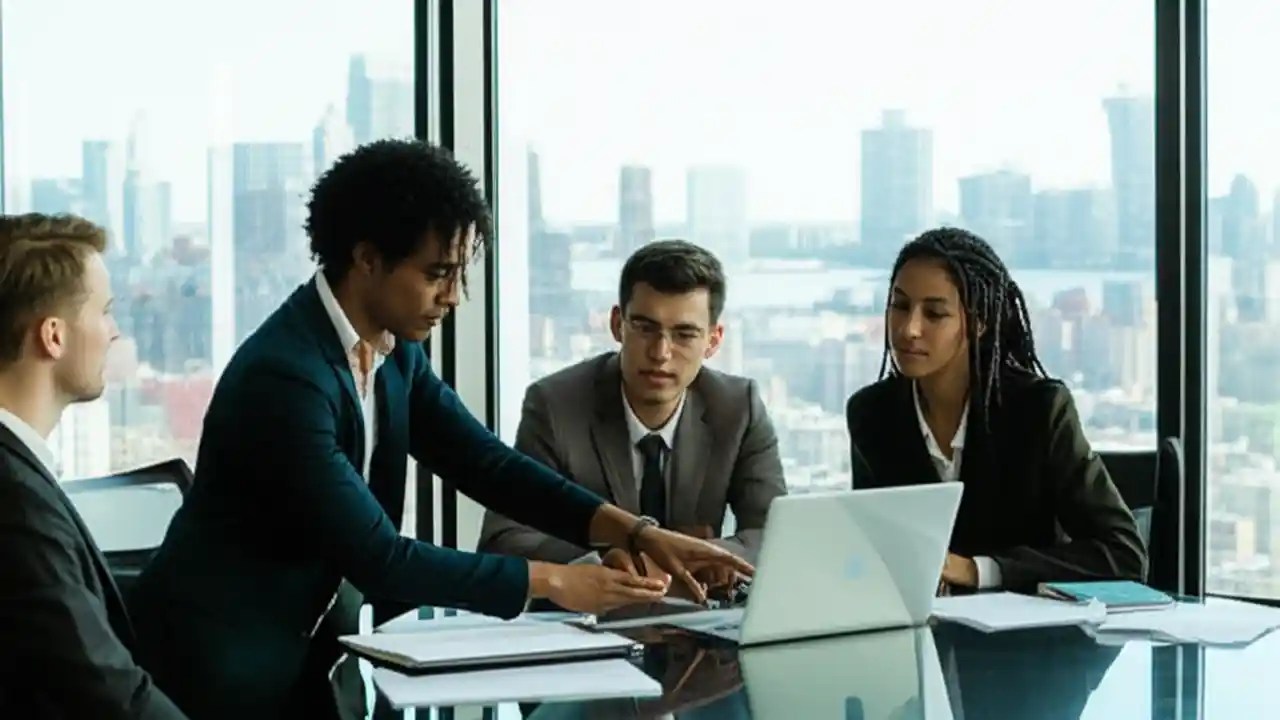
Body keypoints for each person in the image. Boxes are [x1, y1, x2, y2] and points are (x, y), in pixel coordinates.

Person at [129, 139, 752, 719]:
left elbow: (487, 465)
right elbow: (384, 560)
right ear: (367, 258)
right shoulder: (286, 378)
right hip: (212, 667)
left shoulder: (391, 350)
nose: (454, 296)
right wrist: (561, 581)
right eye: (437, 273)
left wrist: (638, 531)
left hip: (301, 654)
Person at [845, 227, 1146, 593]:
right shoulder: (872, 414)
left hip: (1032, 642)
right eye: (901, 305)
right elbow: (876, 552)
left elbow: (1124, 555)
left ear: (979, 322)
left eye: (935, 314)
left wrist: (978, 571)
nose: (909, 329)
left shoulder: (1038, 410)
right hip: (921, 635)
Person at [479, 240, 786, 580]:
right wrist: (615, 560)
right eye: (644, 327)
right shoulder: (555, 405)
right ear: (617, 324)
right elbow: (505, 539)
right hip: (588, 618)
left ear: (713, 340)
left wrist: (706, 556)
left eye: (684, 334)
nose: (660, 352)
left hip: (700, 619)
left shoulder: (738, 407)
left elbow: (776, 535)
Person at [0, 213, 187, 718]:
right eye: (104, 312)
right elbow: (104, 691)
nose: (114, 332)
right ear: (53, 337)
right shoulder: (15, 502)